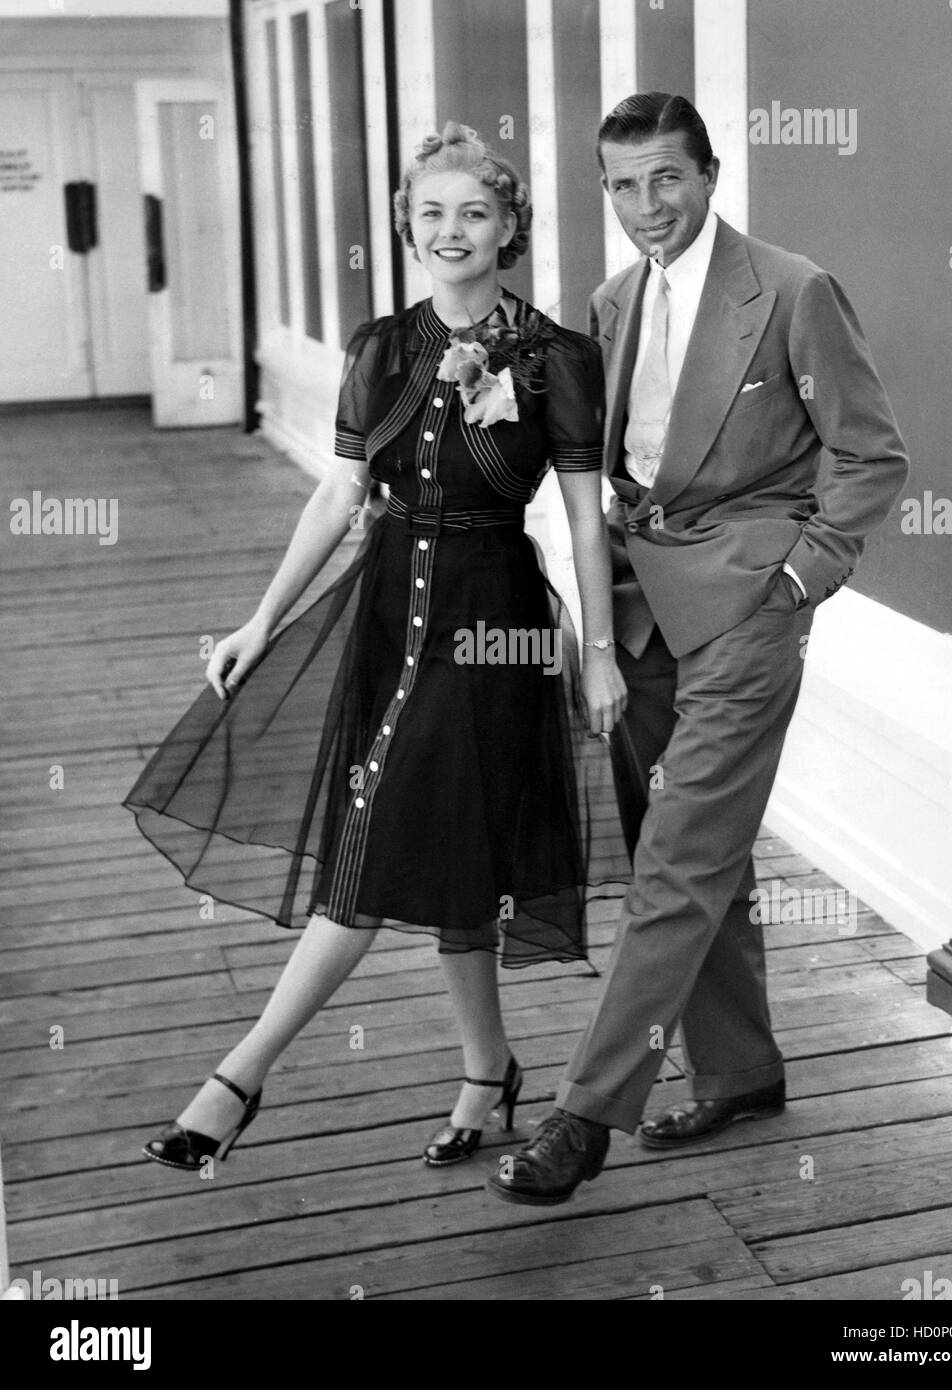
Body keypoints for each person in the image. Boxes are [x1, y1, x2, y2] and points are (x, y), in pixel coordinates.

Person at [125, 121, 626, 1173]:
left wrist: (597, 654)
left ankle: (236, 1078)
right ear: (407, 227)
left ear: (509, 230)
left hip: (491, 626)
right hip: (386, 610)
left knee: (373, 843)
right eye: (430, 212)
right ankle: (488, 1070)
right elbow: (340, 492)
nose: (450, 230)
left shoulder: (558, 359)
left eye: (473, 213)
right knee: (453, 853)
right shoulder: (378, 349)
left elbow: (582, 519)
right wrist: (261, 622)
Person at [488, 92, 910, 1206]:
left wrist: (796, 576)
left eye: (663, 178)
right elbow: (613, 458)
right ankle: (737, 1069)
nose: (644, 207)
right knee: (694, 848)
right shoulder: (611, 299)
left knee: (672, 859)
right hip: (637, 608)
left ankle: (582, 1116)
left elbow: (869, 456)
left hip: (743, 611)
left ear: (710, 175)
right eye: (621, 186)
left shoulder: (792, 290)